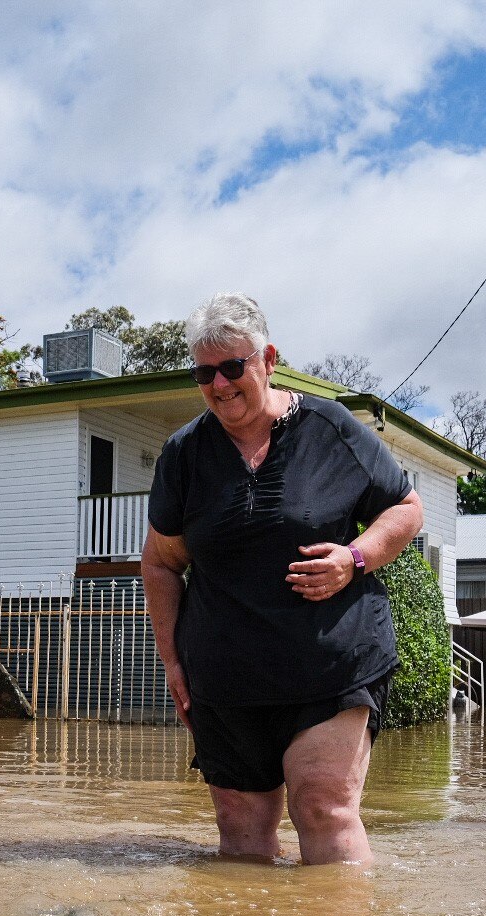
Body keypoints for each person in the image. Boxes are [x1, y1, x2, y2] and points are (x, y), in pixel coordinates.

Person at [142, 293, 424, 865]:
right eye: (204, 373)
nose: (219, 385)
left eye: (232, 367)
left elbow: (406, 509)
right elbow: (162, 560)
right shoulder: (184, 454)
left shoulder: (332, 428)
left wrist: (355, 558)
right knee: (240, 829)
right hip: (225, 676)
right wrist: (173, 661)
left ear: (267, 358)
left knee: (323, 807)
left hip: (329, 665)